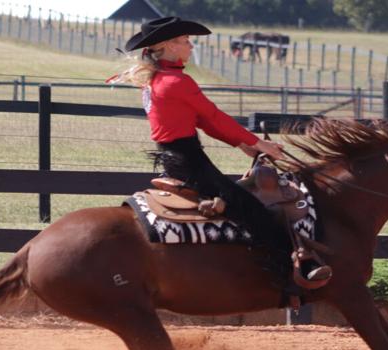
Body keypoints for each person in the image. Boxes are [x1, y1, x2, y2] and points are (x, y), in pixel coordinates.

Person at [111, 17, 328, 286]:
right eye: (185, 41)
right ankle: (290, 274)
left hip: (177, 159)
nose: (191, 46)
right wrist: (259, 144)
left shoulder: (158, 80)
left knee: (239, 201)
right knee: (253, 209)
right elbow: (214, 117)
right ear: (169, 45)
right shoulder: (177, 82)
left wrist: (243, 144)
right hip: (189, 161)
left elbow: (205, 121)